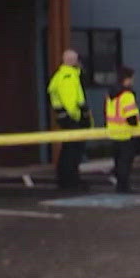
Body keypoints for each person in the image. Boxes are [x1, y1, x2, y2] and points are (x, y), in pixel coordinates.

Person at [47, 49, 89, 189]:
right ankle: (70, 180)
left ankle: (66, 179)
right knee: (73, 150)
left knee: (68, 149)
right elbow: (71, 101)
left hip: (65, 117)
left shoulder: (62, 75)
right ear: (73, 61)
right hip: (71, 118)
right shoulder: (68, 76)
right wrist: (79, 116)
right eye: (77, 60)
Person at [105, 67, 140, 193]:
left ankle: (120, 186)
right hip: (126, 133)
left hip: (114, 132)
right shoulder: (127, 95)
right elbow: (131, 118)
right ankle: (124, 187)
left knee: (118, 161)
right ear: (127, 79)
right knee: (125, 162)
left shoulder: (111, 94)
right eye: (132, 78)